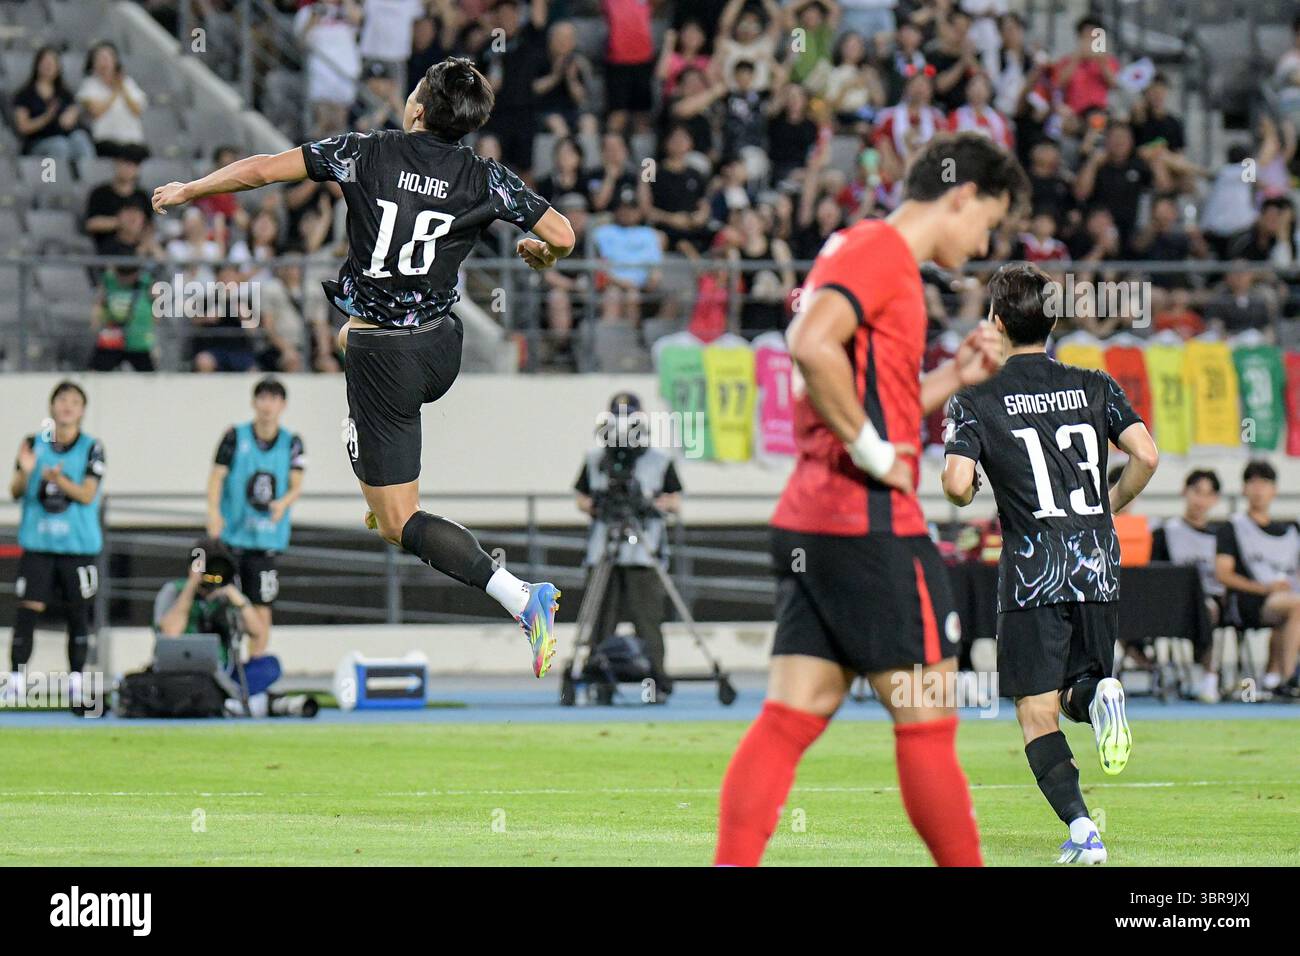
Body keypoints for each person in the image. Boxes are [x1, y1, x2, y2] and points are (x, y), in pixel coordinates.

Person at [151, 57, 576, 678]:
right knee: (352, 335)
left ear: (418, 109)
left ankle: (519, 595)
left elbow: (263, 171)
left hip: (386, 361)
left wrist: (190, 190)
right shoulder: (485, 176)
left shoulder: (365, 153)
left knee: (396, 521)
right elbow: (563, 235)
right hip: (441, 345)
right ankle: (376, 469)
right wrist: (539, 255)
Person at [714, 133, 1028, 868]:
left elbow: (865, 392)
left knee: (794, 715)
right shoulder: (883, 253)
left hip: (813, 520)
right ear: (960, 195)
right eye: (988, 222)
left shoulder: (860, 250)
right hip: (871, 523)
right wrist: (875, 454)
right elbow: (809, 343)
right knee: (927, 721)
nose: (985, 241)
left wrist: (953, 377)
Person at [942, 261, 1160, 865]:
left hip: (1033, 568)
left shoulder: (974, 398)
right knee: (1078, 686)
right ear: (1055, 319)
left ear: (994, 322)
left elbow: (959, 487)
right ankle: (1101, 699)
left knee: (1035, 710)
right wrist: (1108, 504)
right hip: (1096, 561)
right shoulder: (1095, 384)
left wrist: (966, 478)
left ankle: (1085, 833)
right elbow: (1146, 453)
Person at [573, 393, 683, 699]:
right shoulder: (595, 459)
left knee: (647, 621)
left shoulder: (659, 460)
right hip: (604, 550)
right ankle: (600, 681)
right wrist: (596, 506)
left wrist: (650, 503)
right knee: (600, 621)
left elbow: (675, 501)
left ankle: (656, 682)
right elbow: (582, 497)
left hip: (642, 552)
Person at [6, 382, 106, 705]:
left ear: (82, 410)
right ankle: (17, 679)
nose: (67, 406)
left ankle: (77, 680)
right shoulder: (34, 444)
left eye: (74, 401)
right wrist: (26, 471)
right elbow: (16, 490)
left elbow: (88, 495)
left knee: (79, 613)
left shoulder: (92, 447)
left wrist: (59, 480)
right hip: (39, 544)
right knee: (27, 611)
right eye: (62, 400)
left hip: (77, 547)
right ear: (51, 407)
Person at [206, 378, 305, 650]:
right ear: (253, 402)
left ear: (282, 405)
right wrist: (213, 513)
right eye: (262, 398)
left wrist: (283, 502)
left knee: (261, 607)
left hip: (266, 542)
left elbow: (297, 483)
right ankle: (222, 669)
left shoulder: (292, 443)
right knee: (220, 602)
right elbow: (216, 477)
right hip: (232, 538)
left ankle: (256, 673)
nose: (267, 405)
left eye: (273, 399)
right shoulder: (234, 436)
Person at [154, 538, 282, 717]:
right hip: (181, 675)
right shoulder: (173, 591)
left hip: (223, 675)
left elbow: (258, 633)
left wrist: (238, 599)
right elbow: (171, 633)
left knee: (270, 666)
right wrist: (191, 587)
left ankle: (226, 699)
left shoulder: (227, 597)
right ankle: (235, 701)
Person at [1215, 460, 1300, 699]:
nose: (1258, 489)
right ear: (1244, 489)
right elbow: (1223, 574)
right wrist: (1263, 588)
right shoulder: (1232, 528)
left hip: (1287, 600)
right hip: (1249, 602)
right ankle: (1289, 677)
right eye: (1252, 483)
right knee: (1295, 606)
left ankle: (1274, 677)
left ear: (1275, 490)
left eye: (1265, 483)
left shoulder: (1291, 530)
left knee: (1293, 607)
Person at [1150, 469, 1225, 703]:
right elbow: (1154, 576)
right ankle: (1155, 669)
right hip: (1172, 604)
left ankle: (1209, 678)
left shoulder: (1221, 537)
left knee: (1208, 609)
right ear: (1185, 492)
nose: (1200, 500)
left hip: (1208, 603)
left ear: (1215, 499)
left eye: (1207, 494)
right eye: (1196, 492)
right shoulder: (1164, 533)